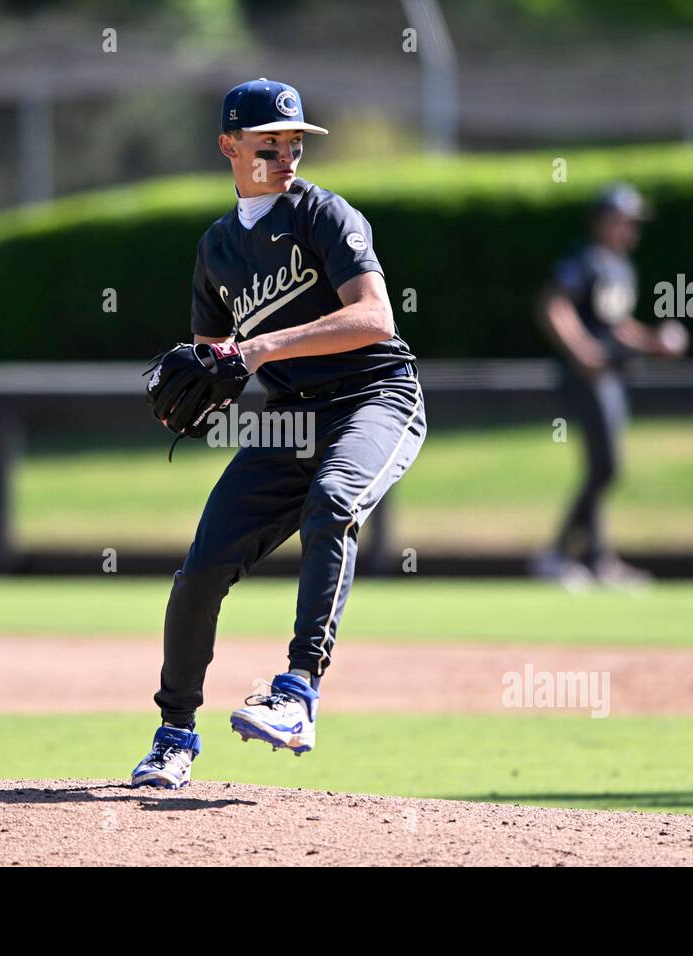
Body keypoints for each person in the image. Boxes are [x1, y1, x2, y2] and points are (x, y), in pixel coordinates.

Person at [132, 79, 426, 789]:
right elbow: (215, 355)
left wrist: (258, 348)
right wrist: (201, 385)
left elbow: (374, 317)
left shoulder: (324, 214)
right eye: (269, 144)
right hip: (290, 417)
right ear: (229, 147)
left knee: (334, 502)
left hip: (374, 397)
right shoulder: (217, 248)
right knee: (201, 570)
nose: (286, 156)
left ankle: (297, 695)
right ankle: (175, 735)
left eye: (295, 142)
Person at [533, 184, 688, 589]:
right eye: (625, 221)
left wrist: (654, 343)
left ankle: (596, 559)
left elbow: (617, 325)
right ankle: (561, 555)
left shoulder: (620, 267)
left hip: (611, 377)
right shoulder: (584, 260)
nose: (631, 230)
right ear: (602, 221)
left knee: (603, 469)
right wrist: (581, 350)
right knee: (605, 467)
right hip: (588, 379)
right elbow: (554, 304)